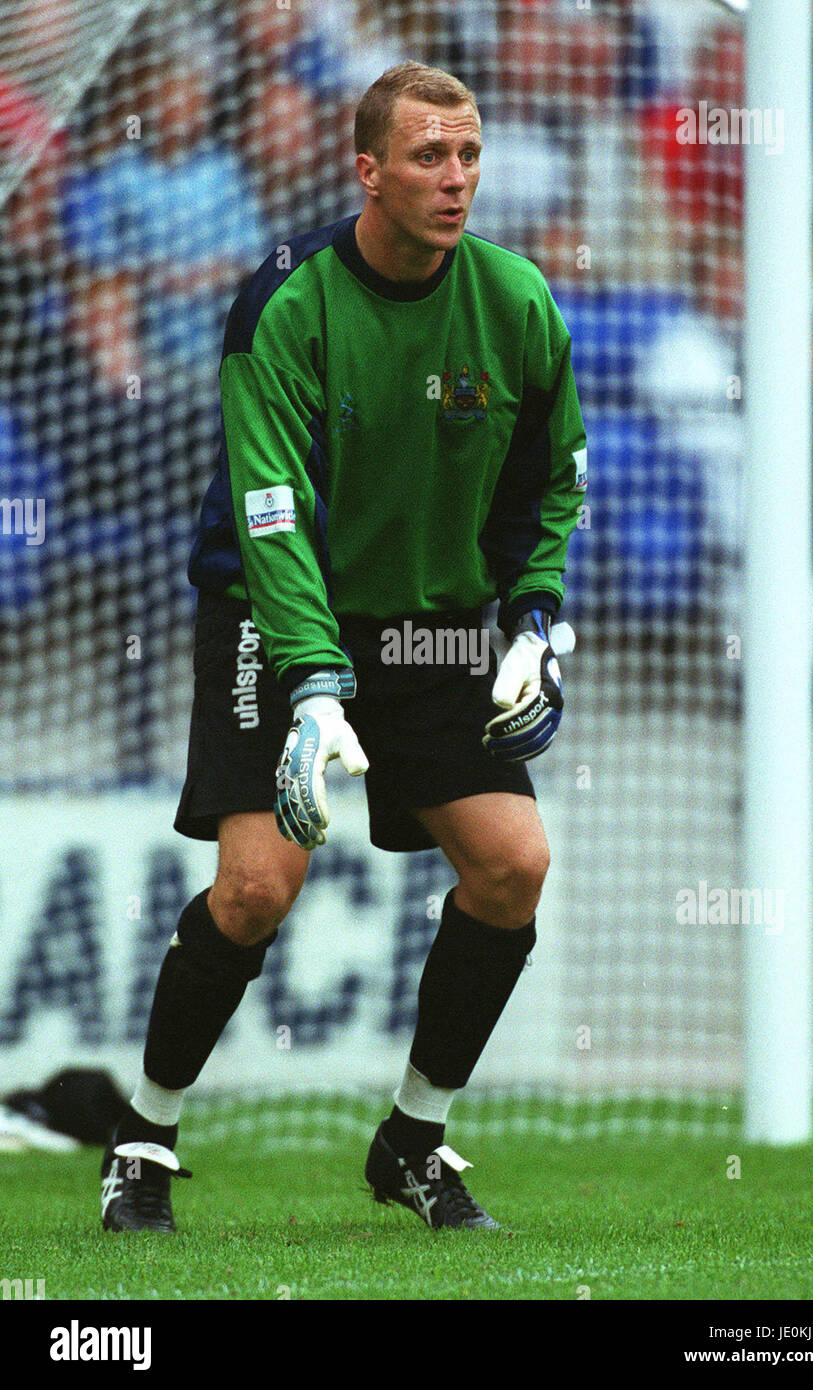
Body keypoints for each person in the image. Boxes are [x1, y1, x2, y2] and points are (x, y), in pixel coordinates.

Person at [100, 61, 586, 1234]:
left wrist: (532, 620)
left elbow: (549, 483)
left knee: (512, 864)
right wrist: (316, 685)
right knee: (258, 887)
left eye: (467, 155)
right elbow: (268, 512)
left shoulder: (518, 303)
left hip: (428, 626)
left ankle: (412, 1142)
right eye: (428, 156)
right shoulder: (283, 304)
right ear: (365, 168)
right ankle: (143, 1138)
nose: (454, 179)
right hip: (275, 613)